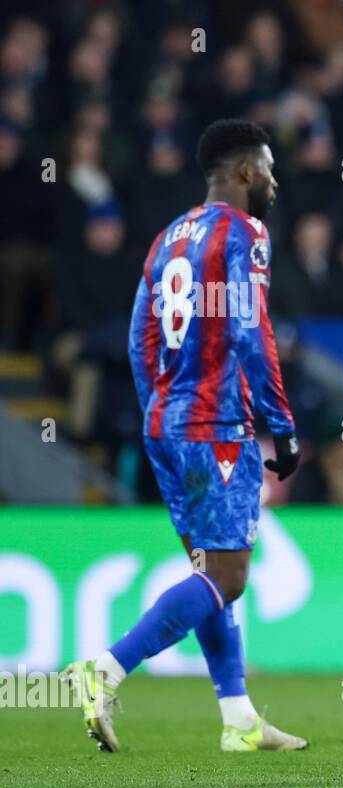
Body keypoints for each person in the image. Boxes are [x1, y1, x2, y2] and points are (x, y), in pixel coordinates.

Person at [63, 120, 308, 753]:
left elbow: (139, 334)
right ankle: (106, 670)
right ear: (246, 172)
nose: (276, 182)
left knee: (209, 570)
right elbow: (252, 332)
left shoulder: (169, 235)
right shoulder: (245, 232)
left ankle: (239, 719)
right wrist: (280, 426)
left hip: (165, 423)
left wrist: (158, 412)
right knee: (227, 576)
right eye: (270, 169)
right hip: (215, 426)